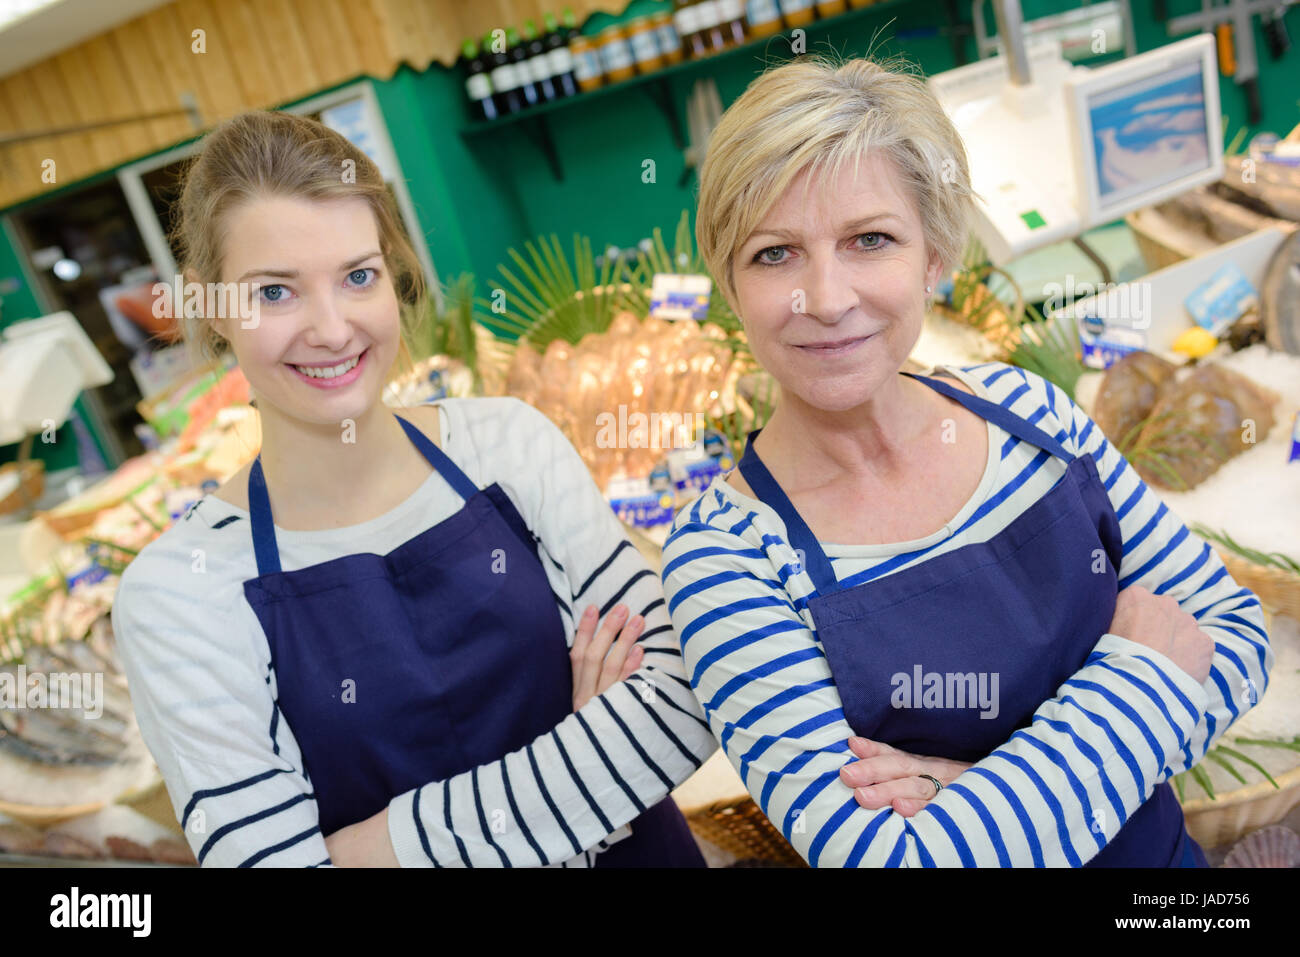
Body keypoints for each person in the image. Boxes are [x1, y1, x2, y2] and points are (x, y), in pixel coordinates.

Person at [660, 54, 1273, 867]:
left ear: (935, 257)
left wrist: (972, 797)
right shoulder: (723, 560)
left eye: (870, 239)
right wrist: (1141, 678)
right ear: (730, 288)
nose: (828, 297)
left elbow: (1237, 636)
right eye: (774, 254)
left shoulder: (1031, 417)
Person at [111, 111, 716, 867]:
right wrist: (589, 767)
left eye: (358, 276)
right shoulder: (179, 595)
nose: (332, 329)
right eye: (275, 292)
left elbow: (684, 703)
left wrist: (366, 847)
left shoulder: (510, 444)